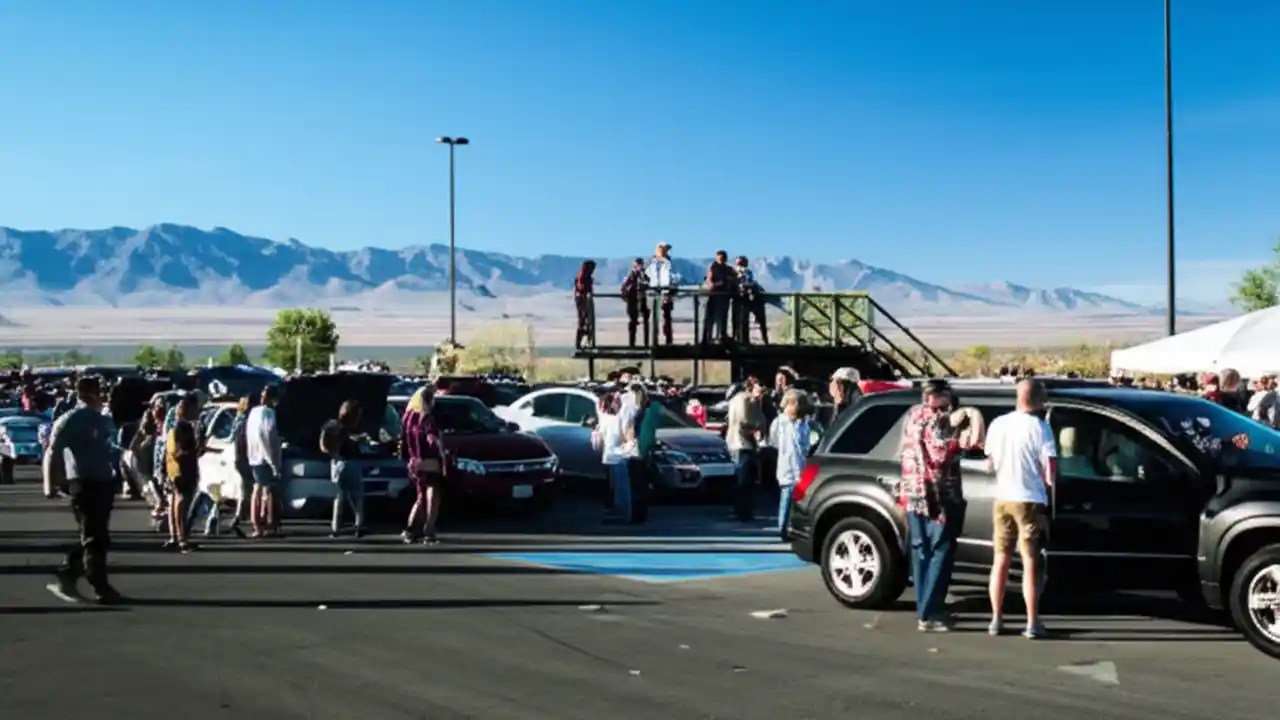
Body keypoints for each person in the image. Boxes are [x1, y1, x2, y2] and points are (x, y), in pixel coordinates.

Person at [984, 379, 1056, 639]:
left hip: (1002, 497)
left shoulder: (998, 424)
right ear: (1037, 400)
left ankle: (996, 618)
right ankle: (1032, 621)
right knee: (1030, 561)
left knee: (1000, 559)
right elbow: (1050, 471)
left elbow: (990, 463)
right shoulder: (1041, 428)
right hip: (1029, 499)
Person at [45, 376, 124, 604]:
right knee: (94, 537)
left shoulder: (103, 419)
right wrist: (50, 483)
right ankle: (100, 585)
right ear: (88, 393)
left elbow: (111, 449)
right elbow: (53, 450)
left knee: (97, 535)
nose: (104, 394)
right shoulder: (73, 419)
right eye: (100, 390)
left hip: (104, 482)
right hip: (84, 483)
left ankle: (69, 571)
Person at [897, 379, 963, 632]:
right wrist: (957, 438)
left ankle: (923, 609)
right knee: (940, 551)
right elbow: (940, 456)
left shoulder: (912, 416)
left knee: (921, 551)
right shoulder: (940, 422)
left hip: (913, 492)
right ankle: (930, 612)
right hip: (937, 495)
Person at [402, 387, 443, 544]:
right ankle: (429, 529)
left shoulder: (408, 417)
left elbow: (403, 440)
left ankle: (411, 529)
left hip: (414, 461)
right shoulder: (427, 418)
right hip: (429, 460)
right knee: (432, 493)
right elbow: (431, 436)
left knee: (420, 495)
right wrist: (439, 446)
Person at [770, 389, 812, 539]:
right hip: (787, 467)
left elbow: (808, 443)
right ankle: (782, 529)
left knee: (801, 502)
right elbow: (773, 441)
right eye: (794, 403)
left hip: (803, 467)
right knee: (786, 500)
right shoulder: (780, 423)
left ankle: (798, 529)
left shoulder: (805, 423)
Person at [164, 394, 201, 553]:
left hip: (174, 470)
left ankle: (175, 536)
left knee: (175, 502)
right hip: (182, 470)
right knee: (181, 503)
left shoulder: (175, 426)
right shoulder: (183, 428)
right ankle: (182, 539)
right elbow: (180, 450)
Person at [726, 377, 766, 522]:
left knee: (742, 480)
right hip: (743, 444)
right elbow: (744, 422)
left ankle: (741, 510)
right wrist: (756, 431)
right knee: (745, 481)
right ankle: (744, 511)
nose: (762, 392)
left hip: (739, 444)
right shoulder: (745, 401)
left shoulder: (743, 400)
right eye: (759, 388)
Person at [323, 400, 365, 538]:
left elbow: (324, 443)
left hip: (337, 463)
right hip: (351, 463)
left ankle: (335, 527)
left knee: (339, 497)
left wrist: (332, 453)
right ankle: (358, 526)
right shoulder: (349, 429)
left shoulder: (332, 425)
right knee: (357, 497)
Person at [247, 385, 282, 539]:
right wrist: (273, 461)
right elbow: (266, 435)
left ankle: (257, 524)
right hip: (264, 456)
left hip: (253, 456)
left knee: (257, 489)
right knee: (268, 491)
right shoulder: (268, 413)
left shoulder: (253, 412)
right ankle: (269, 524)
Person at [129, 398, 166, 525]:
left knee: (156, 479)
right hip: (149, 453)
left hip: (160, 454)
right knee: (151, 478)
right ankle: (159, 501)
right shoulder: (149, 421)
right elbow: (135, 442)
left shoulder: (168, 422)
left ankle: (160, 501)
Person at [229, 395, 256, 534]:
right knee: (247, 490)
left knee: (246, 489)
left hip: (239, 457)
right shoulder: (246, 421)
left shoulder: (237, 419)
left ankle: (243, 517)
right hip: (244, 457)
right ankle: (238, 518)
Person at [646, 243, 678, 345]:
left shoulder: (668, 262)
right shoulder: (654, 263)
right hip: (656, 292)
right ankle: (655, 341)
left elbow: (670, 277)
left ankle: (668, 340)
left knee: (667, 317)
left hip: (666, 292)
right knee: (656, 318)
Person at [732, 256, 768, 344]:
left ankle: (745, 341)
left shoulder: (748, 273)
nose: (740, 266)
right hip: (737, 299)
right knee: (737, 321)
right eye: (739, 264)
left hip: (747, 299)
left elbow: (750, 282)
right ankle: (737, 340)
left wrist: (747, 287)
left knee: (744, 321)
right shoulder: (733, 273)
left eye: (742, 263)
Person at [702, 250, 734, 345]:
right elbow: (709, 281)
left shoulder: (728, 269)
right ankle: (707, 339)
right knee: (710, 319)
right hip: (713, 296)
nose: (722, 259)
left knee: (722, 318)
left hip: (724, 297)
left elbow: (733, 279)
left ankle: (721, 337)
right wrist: (715, 284)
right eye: (720, 257)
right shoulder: (713, 268)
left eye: (723, 257)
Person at [620, 257, 651, 347]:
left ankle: (646, 344)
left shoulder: (644, 274)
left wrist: (644, 283)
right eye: (638, 264)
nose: (640, 266)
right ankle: (632, 345)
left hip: (642, 300)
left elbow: (648, 282)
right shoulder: (630, 275)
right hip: (632, 302)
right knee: (633, 323)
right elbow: (624, 287)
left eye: (641, 264)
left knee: (646, 322)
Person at [574, 260, 596, 350]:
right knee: (583, 322)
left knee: (588, 322)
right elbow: (581, 288)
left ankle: (587, 342)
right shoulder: (582, 276)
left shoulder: (586, 277)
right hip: (582, 301)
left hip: (586, 301)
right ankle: (579, 344)